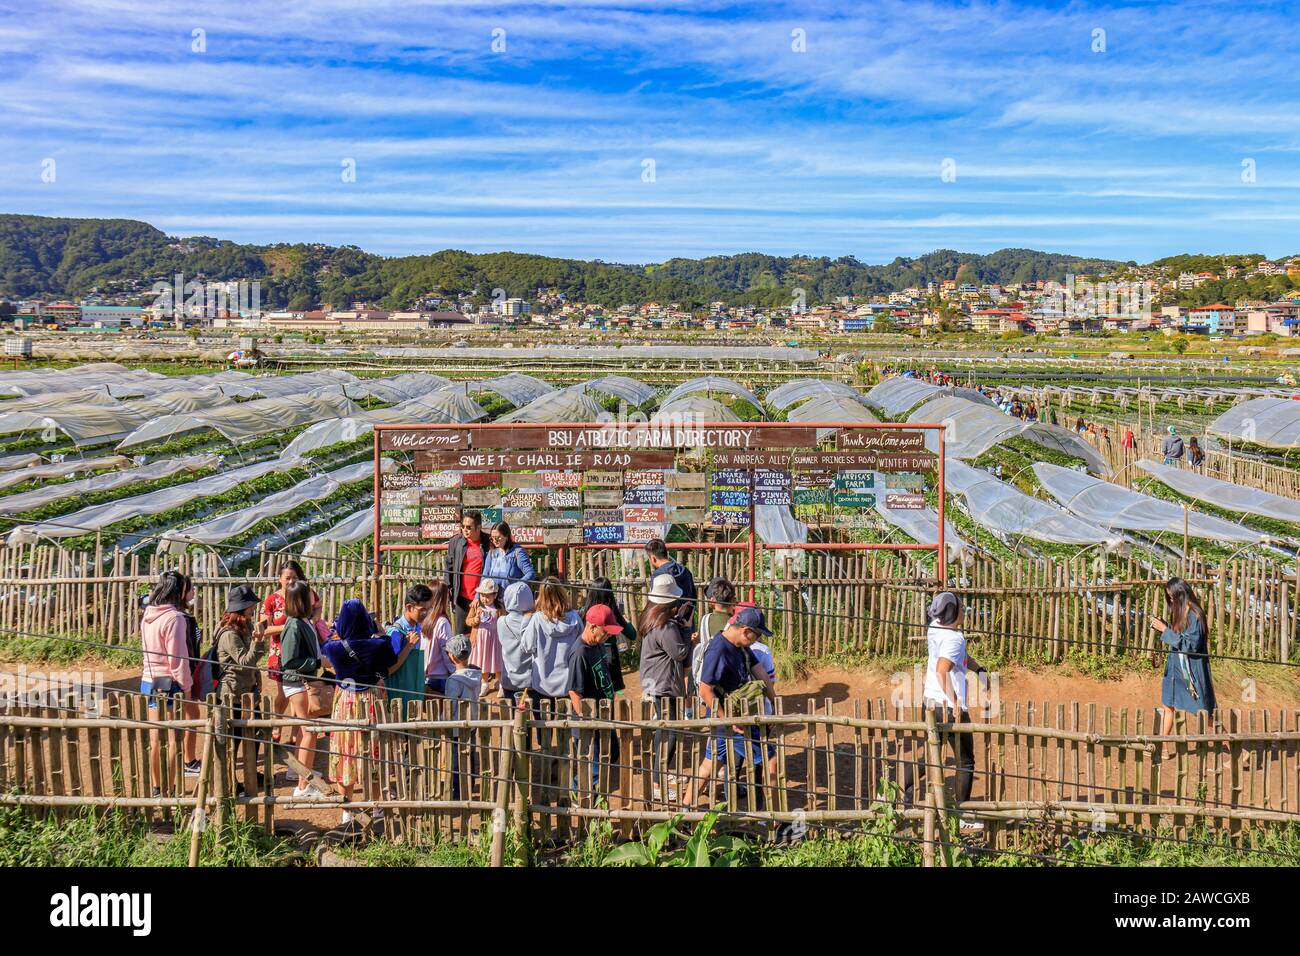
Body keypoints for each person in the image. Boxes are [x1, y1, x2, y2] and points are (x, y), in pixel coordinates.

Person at [902, 591, 983, 826]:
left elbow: (959, 657)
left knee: (931, 757)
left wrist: (978, 669)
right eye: (960, 606)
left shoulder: (935, 627)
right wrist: (955, 701)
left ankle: (891, 791)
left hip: (929, 703)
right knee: (965, 762)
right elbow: (942, 669)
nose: (964, 608)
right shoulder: (954, 639)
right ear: (953, 613)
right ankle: (962, 817)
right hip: (948, 708)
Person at [683, 606, 776, 808]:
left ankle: (685, 811)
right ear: (745, 630)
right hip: (733, 721)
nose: (757, 639)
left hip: (732, 720)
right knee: (771, 763)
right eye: (757, 634)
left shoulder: (741, 646)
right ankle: (774, 820)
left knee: (710, 766)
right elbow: (705, 689)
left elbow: (758, 669)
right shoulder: (719, 649)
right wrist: (728, 719)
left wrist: (773, 701)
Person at [322, 598, 397, 827]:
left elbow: (326, 641)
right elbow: (390, 652)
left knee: (346, 752)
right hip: (373, 699)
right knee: (374, 753)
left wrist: (336, 630)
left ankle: (347, 809)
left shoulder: (335, 649)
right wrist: (377, 628)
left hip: (347, 701)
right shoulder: (379, 645)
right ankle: (376, 806)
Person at [140, 569, 195, 792]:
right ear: (179, 591)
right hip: (170, 683)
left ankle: (156, 787)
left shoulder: (148, 614)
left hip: (148, 679)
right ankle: (170, 787)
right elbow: (178, 659)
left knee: (155, 738)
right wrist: (187, 688)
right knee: (173, 739)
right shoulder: (175, 618)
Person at [638, 575, 691, 797]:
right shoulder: (664, 625)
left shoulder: (650, 618)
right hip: (664, 683)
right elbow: (679, 652)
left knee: (665, 729)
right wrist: (687, 631)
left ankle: (662, 773)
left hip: (655, 680)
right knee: (668, 731)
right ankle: (658, 783)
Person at [1150, 577, 1216, 753]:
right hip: (1175, 670)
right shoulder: (1181, 613)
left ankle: (1238, 747)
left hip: (1191, 674)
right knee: (1167, 705)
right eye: (1168, 597)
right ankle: (1162, 746)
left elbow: (1190, 646)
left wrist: (1164, 630)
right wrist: (1166, 627)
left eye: (1172, 597)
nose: (1171, 600)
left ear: (1182, 594)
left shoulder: (1195, 615)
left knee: (1205, 714)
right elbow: (1179, 639)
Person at [566, 607, 622, 794]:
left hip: (602, 716)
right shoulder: (580, 653)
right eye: (605, 631)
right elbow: (574, 692)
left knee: (612, 753)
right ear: (592, 627)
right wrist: (586, 721)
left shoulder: (597, 645)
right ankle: (578, 794)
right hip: (589, 721)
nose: (607, 636)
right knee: (593, 766)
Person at [279, 580, 326, 799]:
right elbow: (288, 660)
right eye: (310, 595)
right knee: (309, 731)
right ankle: (302, 786)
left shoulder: (304, 621)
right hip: (296, 682)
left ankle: (301, 774)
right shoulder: (293, 625)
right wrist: (315, 664)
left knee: (304, 732)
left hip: (302, 680)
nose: (313, 599)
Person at [262, 560, 316, 740]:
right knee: (284, 694)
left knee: (300, 692)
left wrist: (312, 621)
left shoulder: (303, 593)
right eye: (287, 578)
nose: (291, 581)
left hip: (302, 651)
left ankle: (295, 733)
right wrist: (291, 627)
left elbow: (317, 606)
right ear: (279, 579)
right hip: (279, 652)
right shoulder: (272, 600)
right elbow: (265, 629)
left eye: (294, 577)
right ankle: (277, 725)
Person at [522, 576, 583, 707]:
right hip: (568, 682)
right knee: (566, 724)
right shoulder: (574, 617)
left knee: (543, 726)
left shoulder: (537, 619)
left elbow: (526, 646)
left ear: (541, 596)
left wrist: (525, 623)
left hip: (543, 684)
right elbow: (582, 644)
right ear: (562, 592)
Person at [215, 584, 266, 714]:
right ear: (242, 608)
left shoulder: (246, 625)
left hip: (247, 690)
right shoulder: (229, 634)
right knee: (236, 733)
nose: (254, 608)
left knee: (255, 732)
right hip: (232, 694)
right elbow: (245, 662)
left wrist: (257, 678)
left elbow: (251, 661)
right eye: (251, 605)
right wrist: (258, 641)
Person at [443, 634, 482, 799]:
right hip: (471, 723)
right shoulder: (476, 676)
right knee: (471, 754)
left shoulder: (454, 680)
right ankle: (471, 784)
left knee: (456, 759)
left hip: (456, 727)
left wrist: (442, 722)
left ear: (452, 656)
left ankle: (457, 791)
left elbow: (449, 705)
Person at [386, 583, 433, 713]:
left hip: (414, 691)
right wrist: (409, 646)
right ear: (409, 607)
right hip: (399, 696)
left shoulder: (417, 627)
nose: (426, 613)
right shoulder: (396, 633)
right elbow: (389, 669)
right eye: (422, 609)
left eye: (429, 609)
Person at [580, 575, 636, 678]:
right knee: (610, 689)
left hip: (588, 652)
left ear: (591, 593)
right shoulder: (612, 613)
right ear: (609, 594)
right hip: (609, 654)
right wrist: (624, 619)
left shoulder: (584, 612)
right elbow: (632, 635)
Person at [691, 576, 737, 692]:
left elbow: (702, 642)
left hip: (709, 674)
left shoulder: (705, 620)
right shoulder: (737, 623)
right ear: (733, 600)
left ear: (712, 601)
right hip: (732, 675)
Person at [445, 511, 487, 634]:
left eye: (469, 527)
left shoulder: (488, 542)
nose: (465, 530)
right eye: (463, 526)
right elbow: (449, 566)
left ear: (478, 527)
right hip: (462, 597)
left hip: (482, 598)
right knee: (461, 637)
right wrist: (448, 588)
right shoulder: (456, 542)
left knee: (481, 636)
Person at [497, 581, 536, 707]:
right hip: (532, 680)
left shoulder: (501, 622)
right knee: (538, 718)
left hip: (510, 679)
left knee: (514, 718)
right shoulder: (535, 620)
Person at [644, 538, 696, 628]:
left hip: (668, 626)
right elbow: (693, 598)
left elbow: (657, 603)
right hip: (687, 622)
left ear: (653, 558)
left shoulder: (658, 576)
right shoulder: (686, 571)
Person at [466, 578, 504, 693]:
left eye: (488, 596)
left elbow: (504, 621)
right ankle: (484, 683)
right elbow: (468, 620)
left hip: (495, 639)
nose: (485, 599)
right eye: (482, 595)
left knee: (497, 659)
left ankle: (499, 681)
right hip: (480, 639)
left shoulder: (499, 608)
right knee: (483, 660)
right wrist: (475, 620)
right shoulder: (476, 606)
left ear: (495, 595)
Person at [420, 581, 455, 696]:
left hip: (427, 677)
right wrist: (455, 671)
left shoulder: (425, 620)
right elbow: (447, 652)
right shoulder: (442, 622)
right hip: (441, 678)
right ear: (442, 598)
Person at [483, 521, 535, 592]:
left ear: (506, 537)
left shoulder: (517, 552)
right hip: (494, 600)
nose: (494, 541)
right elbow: (485, 576)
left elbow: (530, 573)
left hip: (512, 599)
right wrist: (478, 597)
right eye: (492, 538)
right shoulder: (491, 553)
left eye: (498, 538)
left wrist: (516, 587)